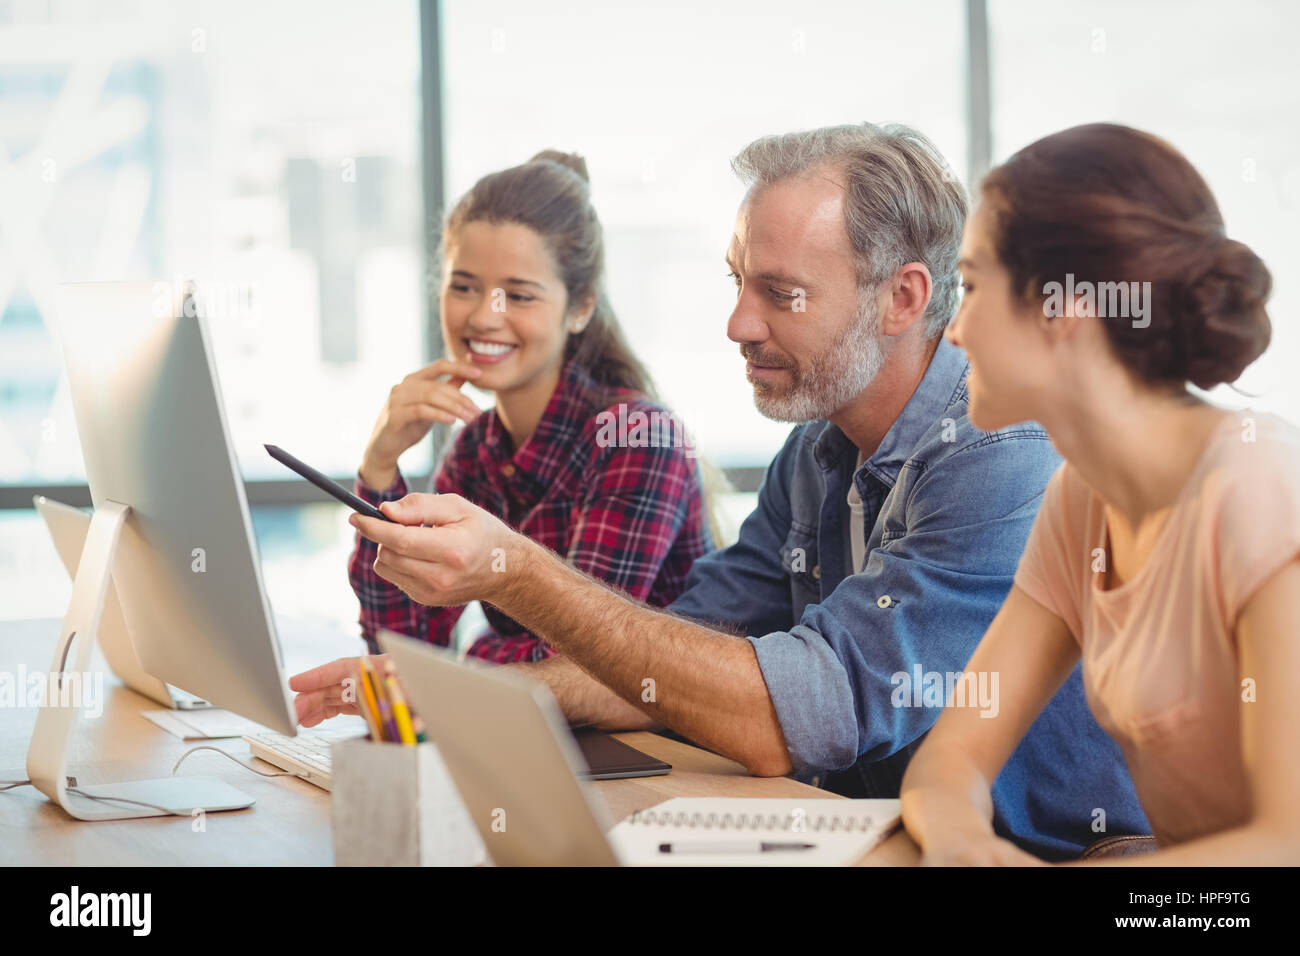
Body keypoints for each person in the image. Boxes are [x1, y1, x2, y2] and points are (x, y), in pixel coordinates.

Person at [294, 123, 1148, 860]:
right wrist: (463, 698)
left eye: (780, 293)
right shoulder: (818, 447)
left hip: (1072, 856)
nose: (738, 323)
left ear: (903, 298)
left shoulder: (1003, 454)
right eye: (737, 281)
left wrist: (514, 571)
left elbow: (804, 716)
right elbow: (670, 656)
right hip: (883, 837)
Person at [899, 122, 1300, 865]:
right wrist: (960, 841)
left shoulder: (1260, 488)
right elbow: (951, 759)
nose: (954, 330)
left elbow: (1286, 845)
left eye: (976, 285)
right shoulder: (1080, 502)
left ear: (1064, 308)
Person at [348, 150, 713, 663]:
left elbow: (585, 656)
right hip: (543, 736)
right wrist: (380, 464)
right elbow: (408, 646)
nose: (483, 316)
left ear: (581, 306)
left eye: (518, 296)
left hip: (653, 739)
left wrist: (477, 655)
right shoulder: (477, 448)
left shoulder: (637, 436)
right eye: (464, 287)